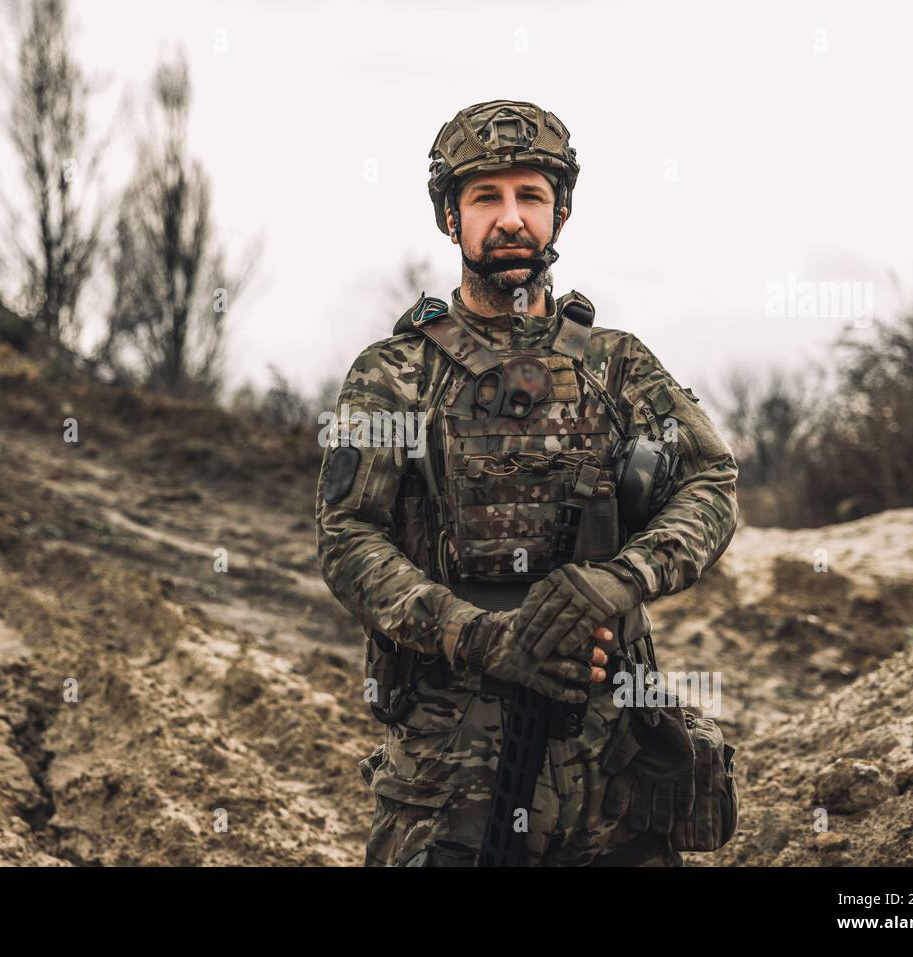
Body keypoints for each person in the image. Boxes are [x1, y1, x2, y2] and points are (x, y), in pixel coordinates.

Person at [315, 100, 739, 866]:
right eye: (486, 197)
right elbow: (347, 537)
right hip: (456, 760)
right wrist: (477, 635)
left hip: (610, 747)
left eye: (530, 196)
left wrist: (620, 579)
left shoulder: (618, 364)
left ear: (562, 211)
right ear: (451, 216)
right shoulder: (394, 374)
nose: (510, 219)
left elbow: (712, 480)